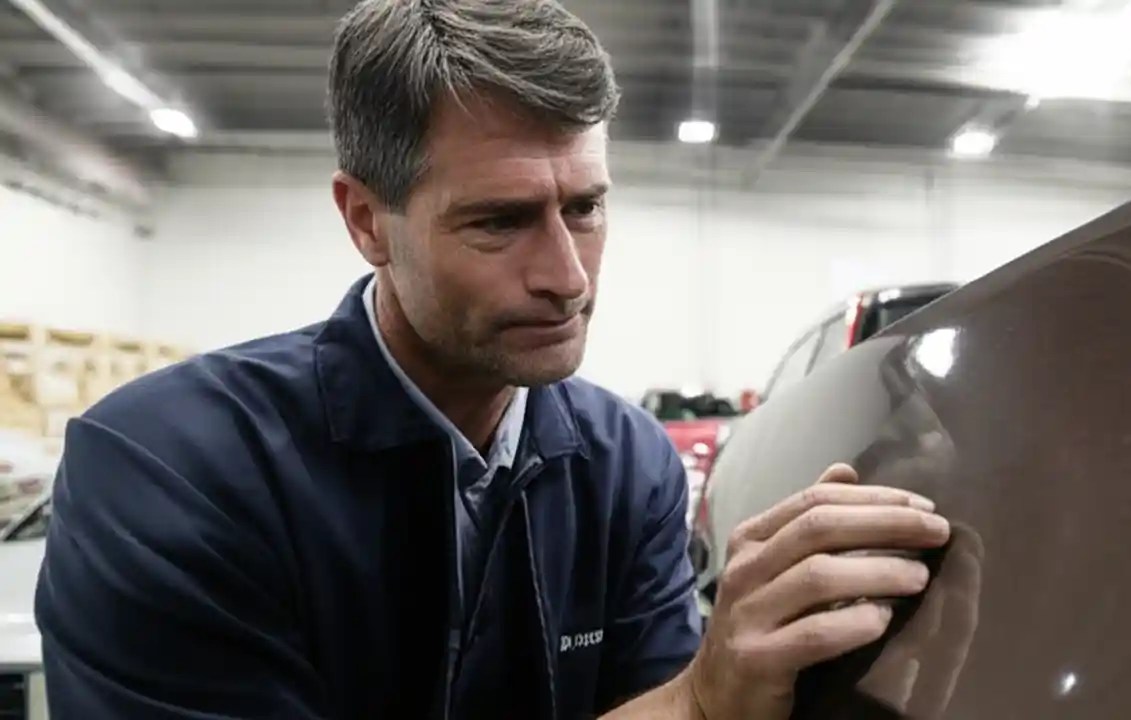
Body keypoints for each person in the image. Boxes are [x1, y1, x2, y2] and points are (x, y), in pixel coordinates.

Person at [34, 1, 951, 718]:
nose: (566, 277)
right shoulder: (167, 467)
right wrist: (702, 701)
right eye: (499, 221)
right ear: (366, 222)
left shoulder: (624, 463)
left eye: (585, 208)